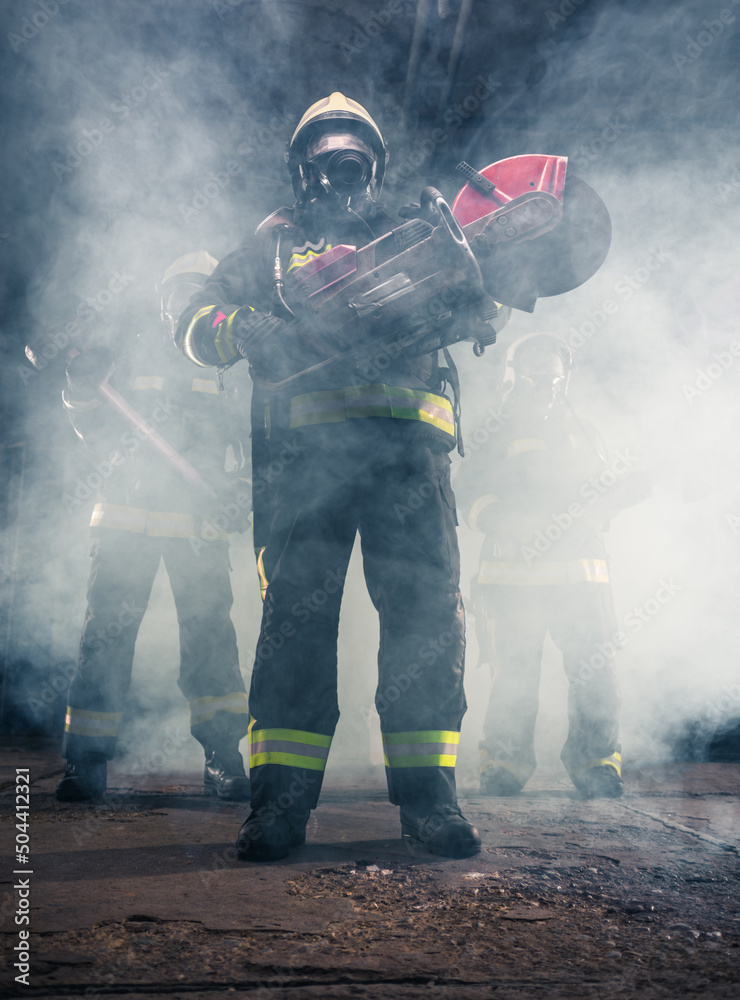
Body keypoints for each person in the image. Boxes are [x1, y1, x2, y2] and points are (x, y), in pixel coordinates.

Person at [175, 93, 482, 861]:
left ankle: (430, 802)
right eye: (325, 148)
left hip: (409, 460)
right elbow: (190, 315)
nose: (341, 161)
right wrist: (241, 327)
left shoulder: (418, 234)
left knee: (424, 621)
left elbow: (481, 286)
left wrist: (482, 303)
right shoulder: (270, 248)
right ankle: (277, 807)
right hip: (304, 467)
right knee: (295, 631)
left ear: (375, 159)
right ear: (300, 163)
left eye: (354, 149)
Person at [56, 252, 251, 803]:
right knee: (105, 641)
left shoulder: (227, 358)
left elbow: (253, 440)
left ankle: (222, 757)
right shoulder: (123, 353)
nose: (184, 298)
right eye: (177, 289)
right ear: (161, 297)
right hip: (124, 520)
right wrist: (79, 384)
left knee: (211, 639)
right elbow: (88, 428)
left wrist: (241, 494)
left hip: (199, 522)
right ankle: (86, 765)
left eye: (197, 288)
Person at [458, 333, 648, 799]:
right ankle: (502, 764)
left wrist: (625, 492)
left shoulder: (585, 430)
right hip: (512, 579)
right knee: (513, 674)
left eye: (553, 365)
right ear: (514, 374)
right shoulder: (495, 429)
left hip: (582, 579)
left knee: (595, 670)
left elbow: (607, 490)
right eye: (534, 364)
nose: (545, 375)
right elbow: (467, 491)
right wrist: (505, 521)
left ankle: (598, 765)